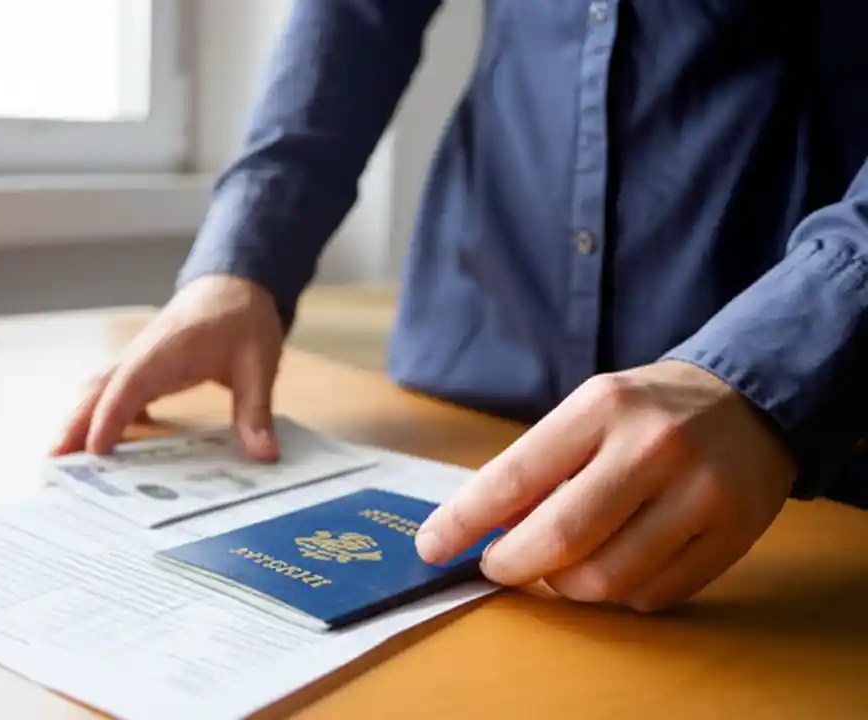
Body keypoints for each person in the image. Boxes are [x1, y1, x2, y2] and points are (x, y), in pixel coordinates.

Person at [53, 1, 868, 612]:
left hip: (803, 454)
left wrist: (780, 360)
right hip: (464, 378)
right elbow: (356, 16)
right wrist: (241, 264)